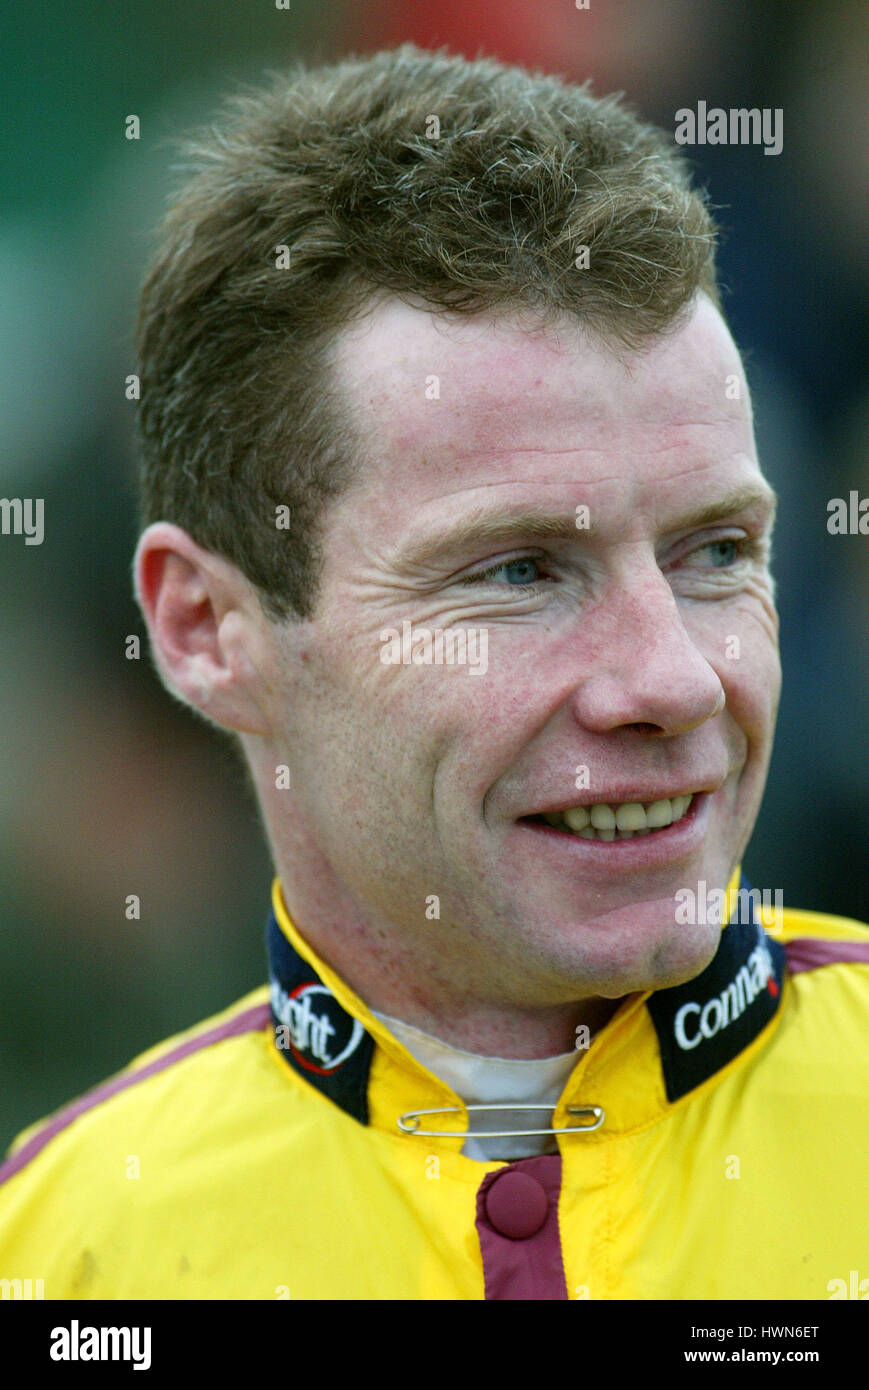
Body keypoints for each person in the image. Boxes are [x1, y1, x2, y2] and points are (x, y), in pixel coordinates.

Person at [1, 43, 867, 1302]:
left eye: (716, 550)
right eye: (517, 571)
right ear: (204, 630)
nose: (672, 680)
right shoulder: (63, 1255)